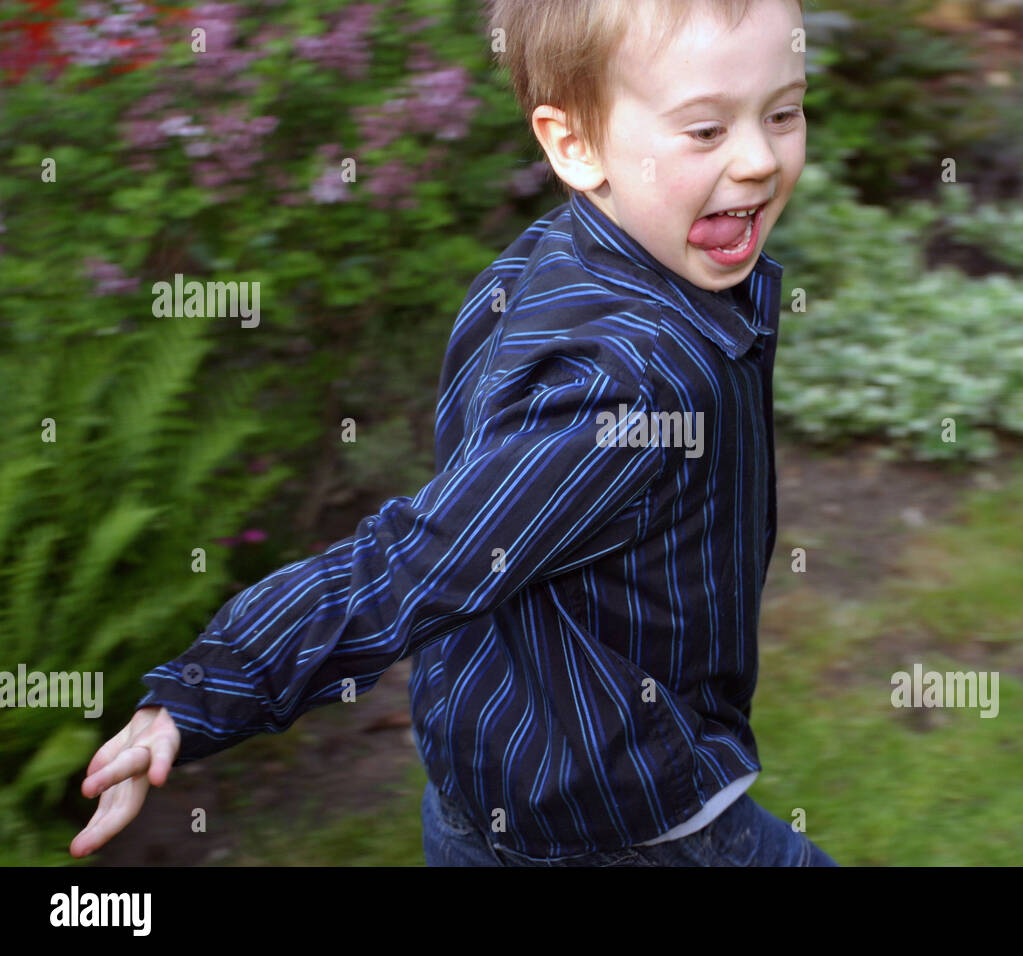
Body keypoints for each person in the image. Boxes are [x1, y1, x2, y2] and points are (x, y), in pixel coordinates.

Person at [71, 0, 837, 867]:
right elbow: (422, 559)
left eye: (784, 111)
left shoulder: (545, 263)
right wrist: (211, 688)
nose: (760, 159)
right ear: (574, 144)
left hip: (497, 782)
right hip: (624, 818)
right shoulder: (625, 383)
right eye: (705, 130)